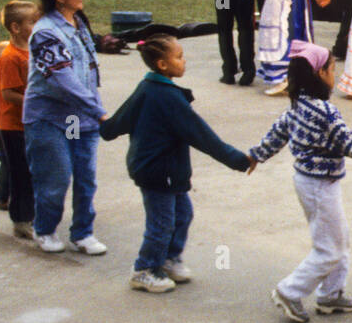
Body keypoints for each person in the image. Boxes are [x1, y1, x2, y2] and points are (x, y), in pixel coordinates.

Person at [249, 40, 352, 321]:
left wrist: (257, 155)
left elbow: (277, 133)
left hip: (311, 183)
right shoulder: (325, 112)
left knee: (339, 239)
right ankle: (290, 291)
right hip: (319, 186)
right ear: (320, 75)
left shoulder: (298, 106)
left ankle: (331, 295)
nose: (335, 75)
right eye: (332, 69)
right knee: (329, 248)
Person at [101, 35, 251, 294]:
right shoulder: (167, 98)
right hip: (158, 172)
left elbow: (120, 121)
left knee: (182, 215)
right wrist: (238, 159)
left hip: (166, 170)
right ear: (162, 64)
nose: (184, 61)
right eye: (179, 57)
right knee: (162, 223)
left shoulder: (147, 87)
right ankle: (144, 269)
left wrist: (107, 128)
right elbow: (203, 136)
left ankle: (168, 260)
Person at [23, 0, 109, 255]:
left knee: (86, 177)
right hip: (49, 118)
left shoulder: (78, 24)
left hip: (80, 118)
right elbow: (63, 80)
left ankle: (83, 233)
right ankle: (45, 229)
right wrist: (99, 110)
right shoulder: (46, 32)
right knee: (56, 177)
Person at [0, 0, 38, 240]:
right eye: (32, 22)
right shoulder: (10, 57)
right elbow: (7, 93)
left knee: (32, 171)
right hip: (13, 126)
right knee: (21, 173)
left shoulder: (31, 50)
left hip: (29, 122)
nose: (36, 26)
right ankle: (21, 220)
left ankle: (30, 213)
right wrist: (35, 101)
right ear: (15, 27)